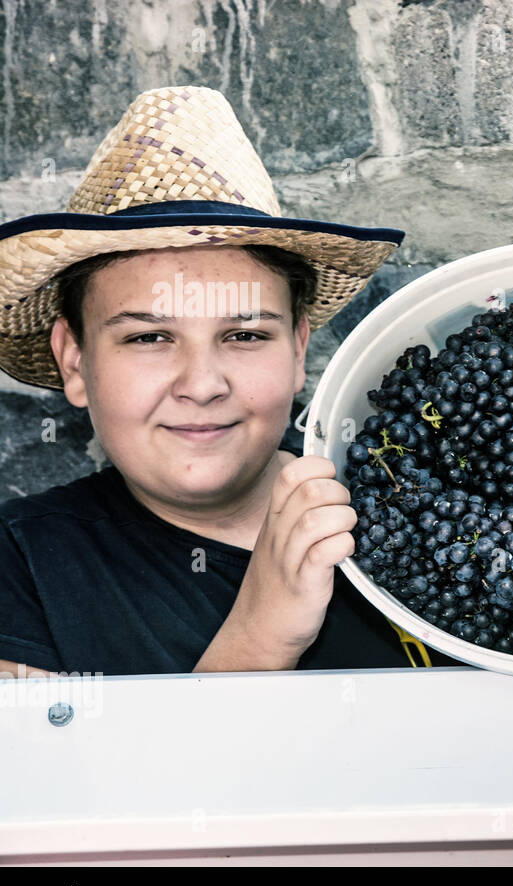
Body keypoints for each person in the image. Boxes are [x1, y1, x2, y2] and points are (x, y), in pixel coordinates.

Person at [0, 86, 449, 676]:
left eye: (244, 336)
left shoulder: (428, 515)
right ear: (75, 361)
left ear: (296, 352)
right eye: (148, 338)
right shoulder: (22, 567)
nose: (203, 384)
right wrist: (262, 635)